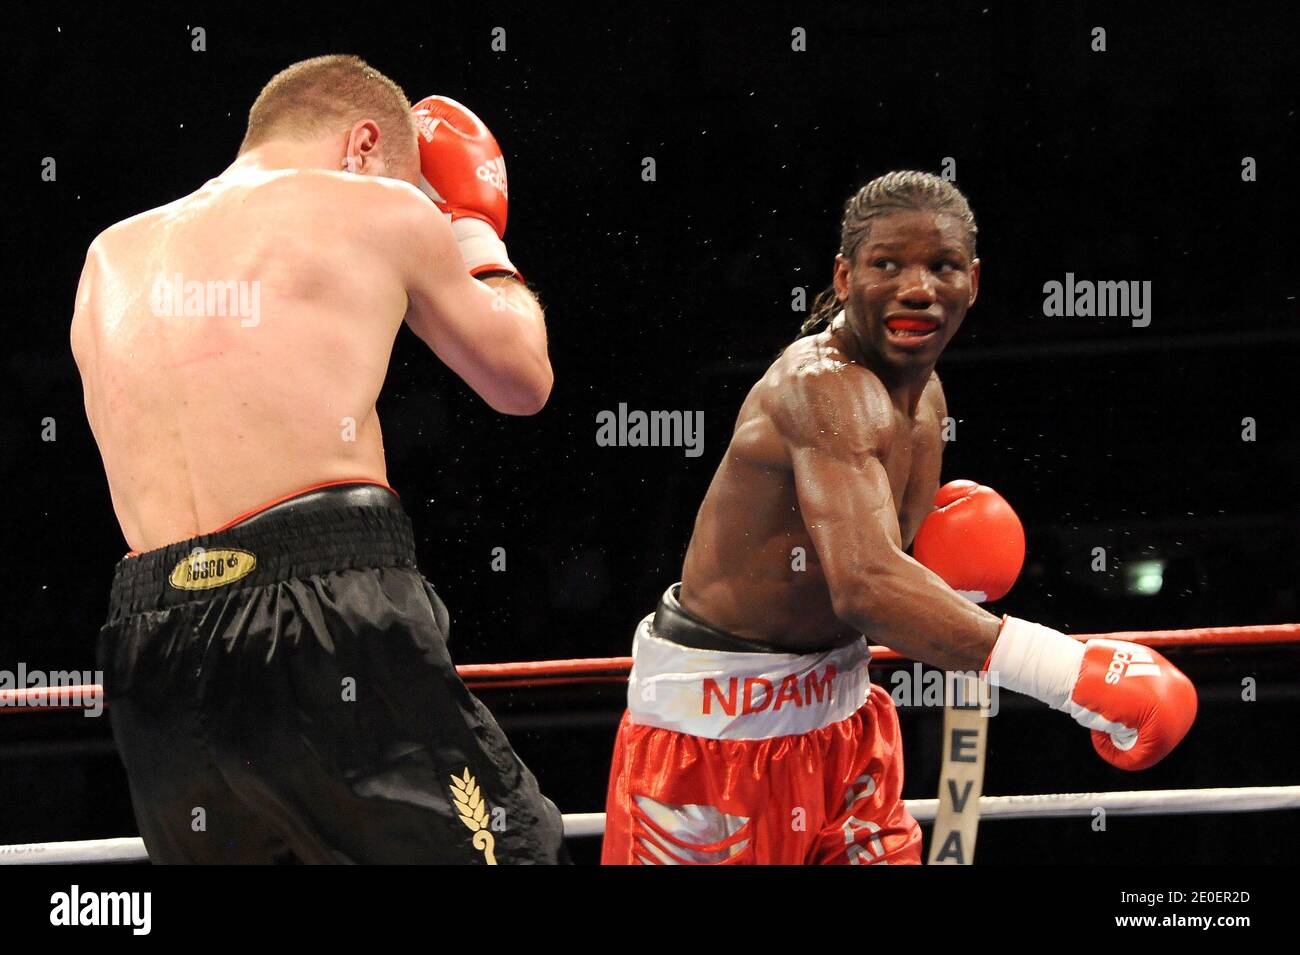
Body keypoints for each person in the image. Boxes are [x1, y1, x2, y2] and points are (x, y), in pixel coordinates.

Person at [601, 171, 1197, 865]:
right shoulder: (818, 386)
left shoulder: (928, 401)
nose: (918, 288)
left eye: (941, 265)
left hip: (844, 725)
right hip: (714, 742)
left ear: (972, 282)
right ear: (845, 276)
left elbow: (876, 578)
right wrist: (1073, 672)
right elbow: (867, 586)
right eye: (888, 264)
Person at [70, 55, 565, 863]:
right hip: (323, 608)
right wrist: (471, 223)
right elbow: (522, 378)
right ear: (363, 145)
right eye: (409, 186)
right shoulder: (370, 203)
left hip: (150, 638)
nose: (416, 209)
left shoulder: (107, 259)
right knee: (515, 852)